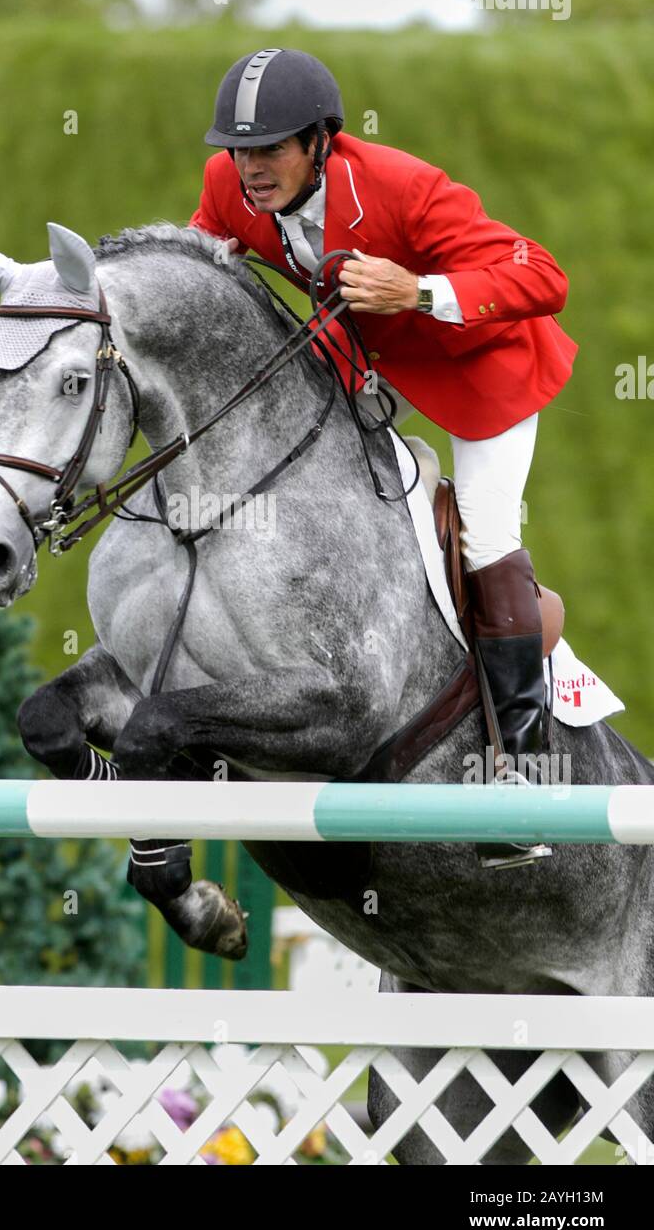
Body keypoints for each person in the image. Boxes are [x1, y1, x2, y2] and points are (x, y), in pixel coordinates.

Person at [189, 47, 578, 868]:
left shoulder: (403, 188)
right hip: (366, 358)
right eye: (238, 149)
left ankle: (526, 774)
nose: (249, 170)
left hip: (482, 368)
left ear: (323, 142)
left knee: (482, 529)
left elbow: (543, 276)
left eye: (270, 150)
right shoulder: (229, 185)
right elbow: (202, 253)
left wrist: (420, 290)